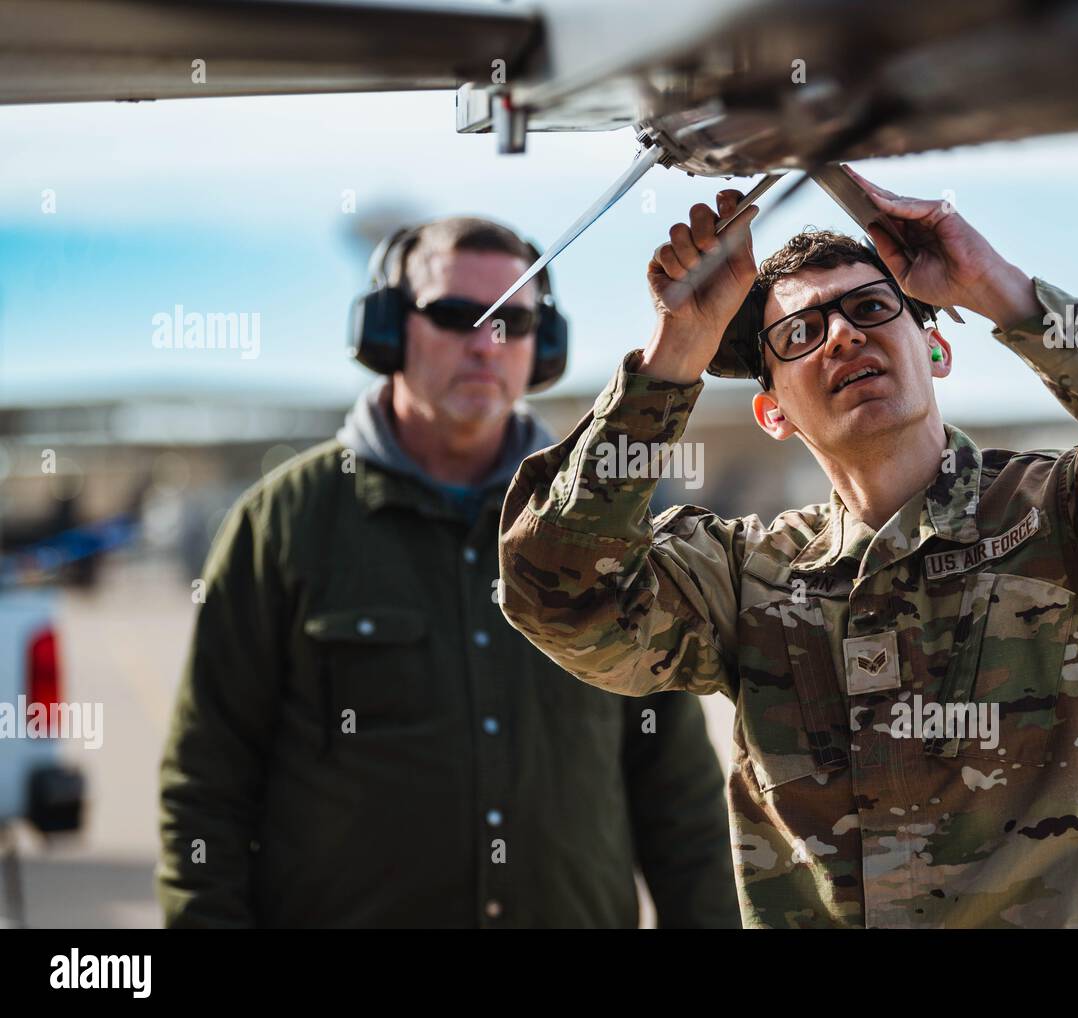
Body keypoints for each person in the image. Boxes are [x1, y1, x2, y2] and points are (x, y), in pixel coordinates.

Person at [497, 171, 1078, 928]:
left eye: (872, 308)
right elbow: (557, 596)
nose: (843, 335)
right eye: (801, 333)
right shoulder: (747, 575)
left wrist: (999, 289)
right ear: (773, 413)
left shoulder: (1072, 515)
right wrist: (675, 354)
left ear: (935, 351)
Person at [157, 217, 739, 928]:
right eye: (455, 315)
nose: (486, 343)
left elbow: (679, 798)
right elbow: (205, 791)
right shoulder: (279, 526)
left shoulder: (606, 532)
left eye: (514, 321)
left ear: (543, 347)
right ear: (386, 331)